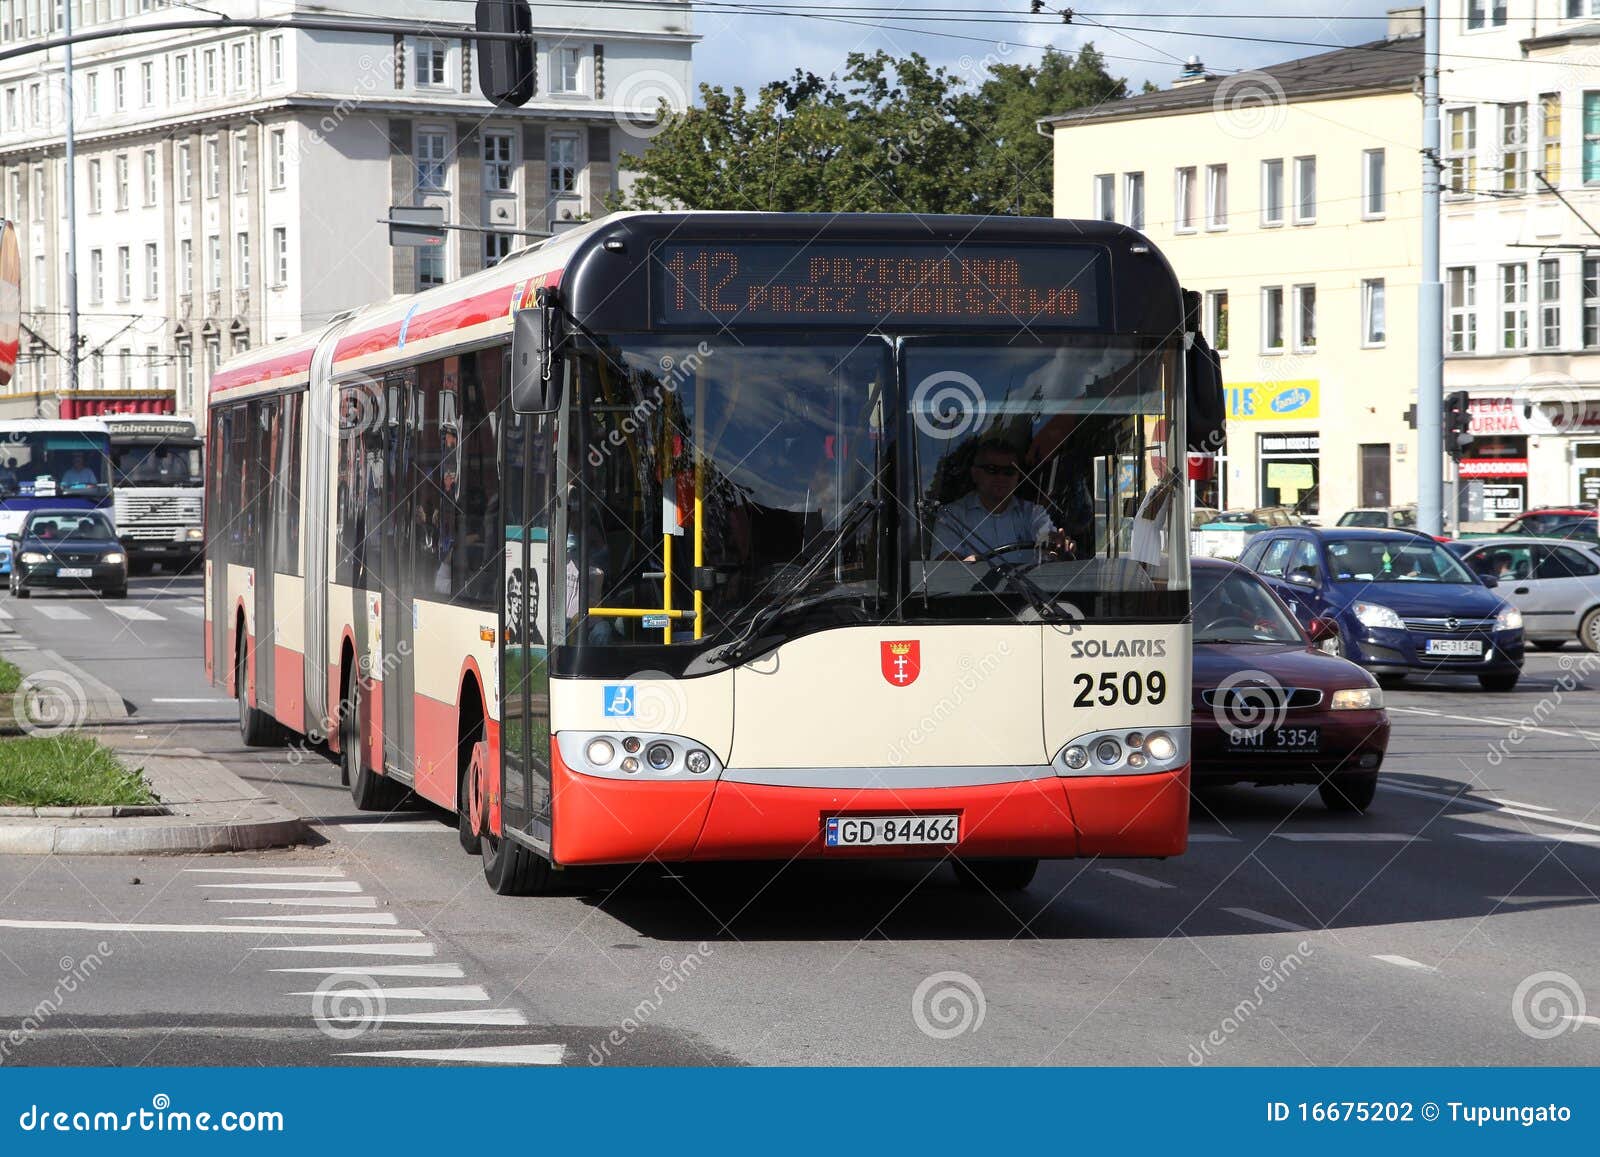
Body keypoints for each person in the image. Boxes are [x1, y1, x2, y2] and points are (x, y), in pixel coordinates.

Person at [931, 439, 1074, 565]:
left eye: (1009, 471)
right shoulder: (950, 516)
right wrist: (965, 564)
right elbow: (945, 564)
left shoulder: (1033, 513)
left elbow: (1046, 537)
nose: (1001, 477)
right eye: (992, 470)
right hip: (971, 595)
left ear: (1018, 476)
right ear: (975, 473)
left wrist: (1057, 543)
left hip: (1031, 595)